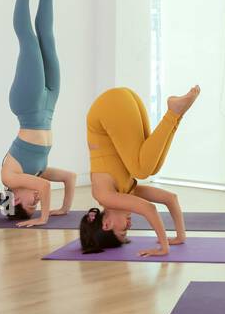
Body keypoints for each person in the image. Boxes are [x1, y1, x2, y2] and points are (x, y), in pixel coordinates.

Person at [0, 0, 76, 227]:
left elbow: (47, 187)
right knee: (47, 39)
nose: (37, 199)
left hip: (27, 105)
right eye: (38, 205)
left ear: (14, 200)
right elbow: (70, 178)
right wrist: (64, 208)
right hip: (48, 105)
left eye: (31, 204)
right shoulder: (37, 171)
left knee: (28, 39)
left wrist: (44, 218)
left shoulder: (11, 178)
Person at [78, 85, 200, 255]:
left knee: (141, 170)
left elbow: (149, 209)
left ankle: (173, 113)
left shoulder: (104, 195)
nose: (129, 226)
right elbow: (170, 198)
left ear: (106, 225)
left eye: (123, 231)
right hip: (124, 101)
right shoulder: (125, 191)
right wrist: (180, 236)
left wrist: (163, 248)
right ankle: (175, 114)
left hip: (110, 106)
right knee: (153, 167)